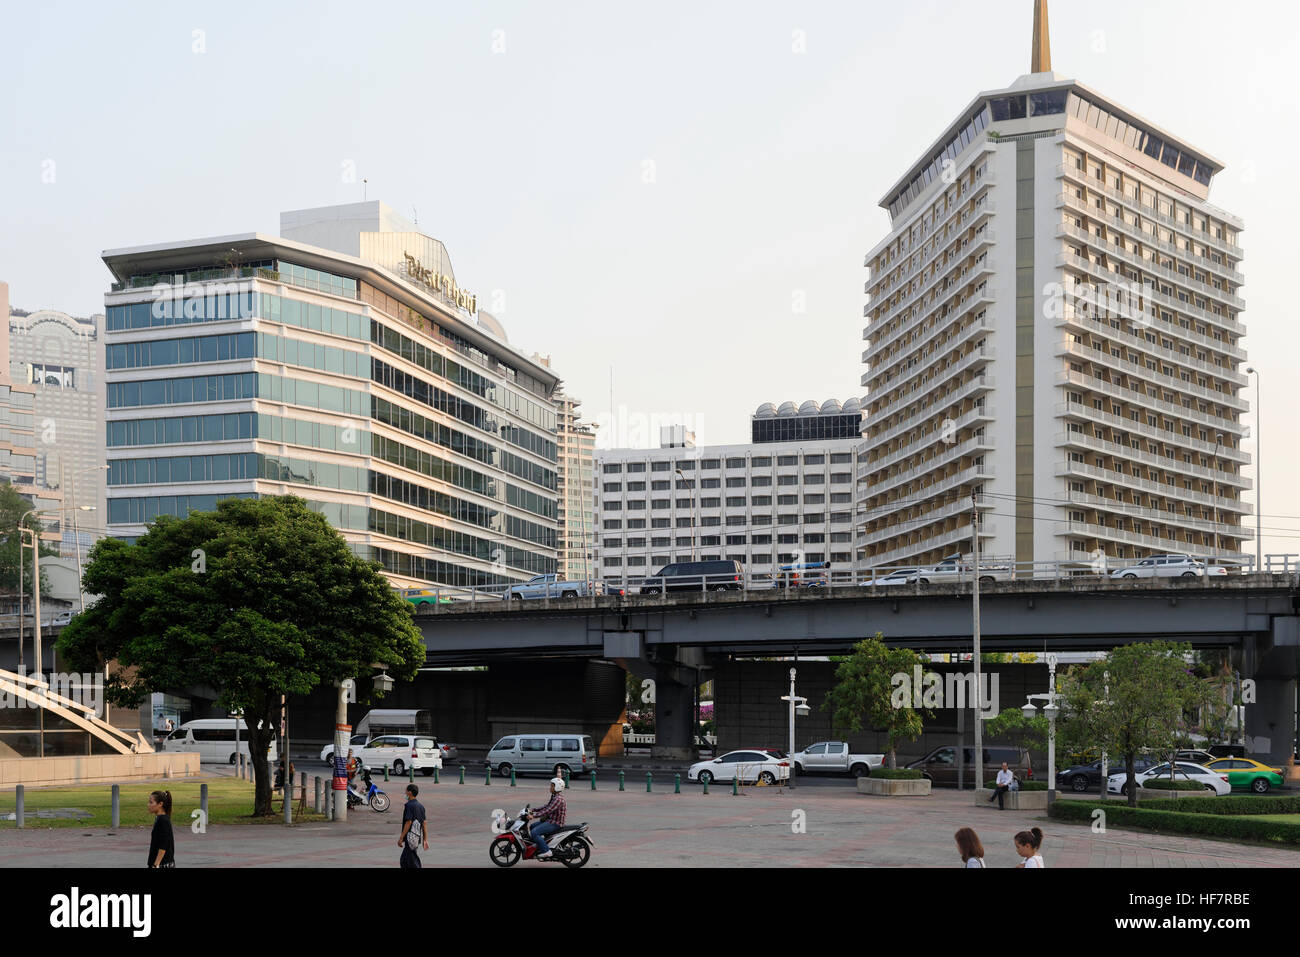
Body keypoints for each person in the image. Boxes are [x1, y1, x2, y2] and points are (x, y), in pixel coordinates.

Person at [526, 776, 568, 860]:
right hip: (551, 820)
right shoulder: (554, 796)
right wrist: (532, 810)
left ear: (557, 787)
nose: (550, 787)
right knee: (532, 826)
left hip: (555, 823)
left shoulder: (558, 799)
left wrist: (533, 815)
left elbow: (547, 811)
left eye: (552, 785)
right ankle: (539, 846)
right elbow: (546, 806)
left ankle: (546, 851)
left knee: (534, 833)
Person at [398, 784, 428, 868]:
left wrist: (401, 838)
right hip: (416, 837)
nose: (405, 792)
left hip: (410, 837)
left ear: (410, 792)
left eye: (406, 791)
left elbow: (408, 822)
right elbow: (424, 823)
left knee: (412, 861)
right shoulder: (421, 806)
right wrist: (425, 839)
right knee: (404, 860)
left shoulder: (409, 805)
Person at [146, 790, 175, 868]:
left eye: (151, 802)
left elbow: (163, 845)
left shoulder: (163, 820)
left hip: (162, 864)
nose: (148, 805)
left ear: (160, 804)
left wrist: (156, 864)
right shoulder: (160, 819)